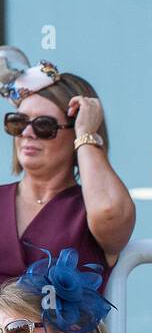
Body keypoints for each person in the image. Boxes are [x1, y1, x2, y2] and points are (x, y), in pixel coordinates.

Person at [0, 48, 134, 285]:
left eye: (44, 125)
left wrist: (87, 134)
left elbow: (111, 214)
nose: (28, 133)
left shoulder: (88, 210)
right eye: (18, 122)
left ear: (75, 132)